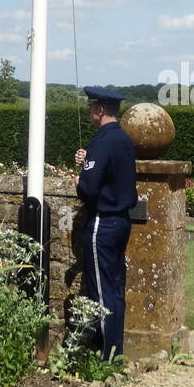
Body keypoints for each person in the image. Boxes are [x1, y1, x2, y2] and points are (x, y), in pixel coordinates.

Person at [74, 86, 137, 359]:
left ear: (100, 110)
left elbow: (88, 188)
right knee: (114, 289)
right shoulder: (122, 138)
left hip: (103, 222)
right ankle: (116, 351)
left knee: (101, 293)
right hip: (122, 221)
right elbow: (112, 172)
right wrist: (89, 160)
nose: (89, 111)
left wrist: (79, 180)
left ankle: (105, 356)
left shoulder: (102, 140)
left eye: (91, 107)